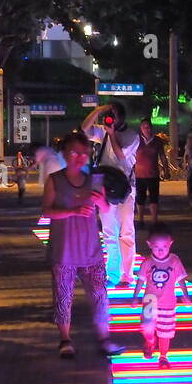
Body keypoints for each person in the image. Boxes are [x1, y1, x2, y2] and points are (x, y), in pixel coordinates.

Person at [41, 131, 123, 359]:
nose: (79, 157)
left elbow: (106, 209)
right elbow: (47, 210)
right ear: (65, 154)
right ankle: (65, 340)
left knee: (100, 295)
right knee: (63, 296)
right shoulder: (55, 180)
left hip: (91, 251)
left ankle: (104, 339)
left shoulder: (95, 180)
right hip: (64, 249)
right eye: (74, 152)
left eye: (83, 153)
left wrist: (101, 202)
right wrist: (71, 211)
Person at [83, 101, 141, 287]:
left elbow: (121, 155)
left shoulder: (132, 135)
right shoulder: (103, 131)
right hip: (105, 188)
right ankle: (112, 273)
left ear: (121, 117)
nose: (110, 118)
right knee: (109, 232)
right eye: (109, 114)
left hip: (125, 189)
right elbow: (85, 129)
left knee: (126, 232)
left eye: (112, 114)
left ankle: (128, 274)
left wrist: (112, 134)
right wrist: (99, 110)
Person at [132, 223, 191, 368]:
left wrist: (186, 295)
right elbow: (140, 280)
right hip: (149, 301)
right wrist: (135, 296)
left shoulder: (174, 261)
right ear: (149, 245)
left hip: (168, 303)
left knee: (165, 332)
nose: (161, 250)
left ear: (170, 244)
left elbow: (181, 279)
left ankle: (163, 356)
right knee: (147, 327)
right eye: (157, 247)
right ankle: (150, 341)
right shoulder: (147, 262)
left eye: (164, 247)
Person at [132, 118, 168, 228]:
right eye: (145, 127)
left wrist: (166, 169)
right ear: (141, 128)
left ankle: (154, 221)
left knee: (154, 198)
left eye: (149, 127)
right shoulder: (137, 140)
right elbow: (131, 155)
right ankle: (140, 220)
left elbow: (162, 156)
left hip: (153, 174)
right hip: (139, 175)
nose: (148, 129)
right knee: (140, 198)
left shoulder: (157, 141)